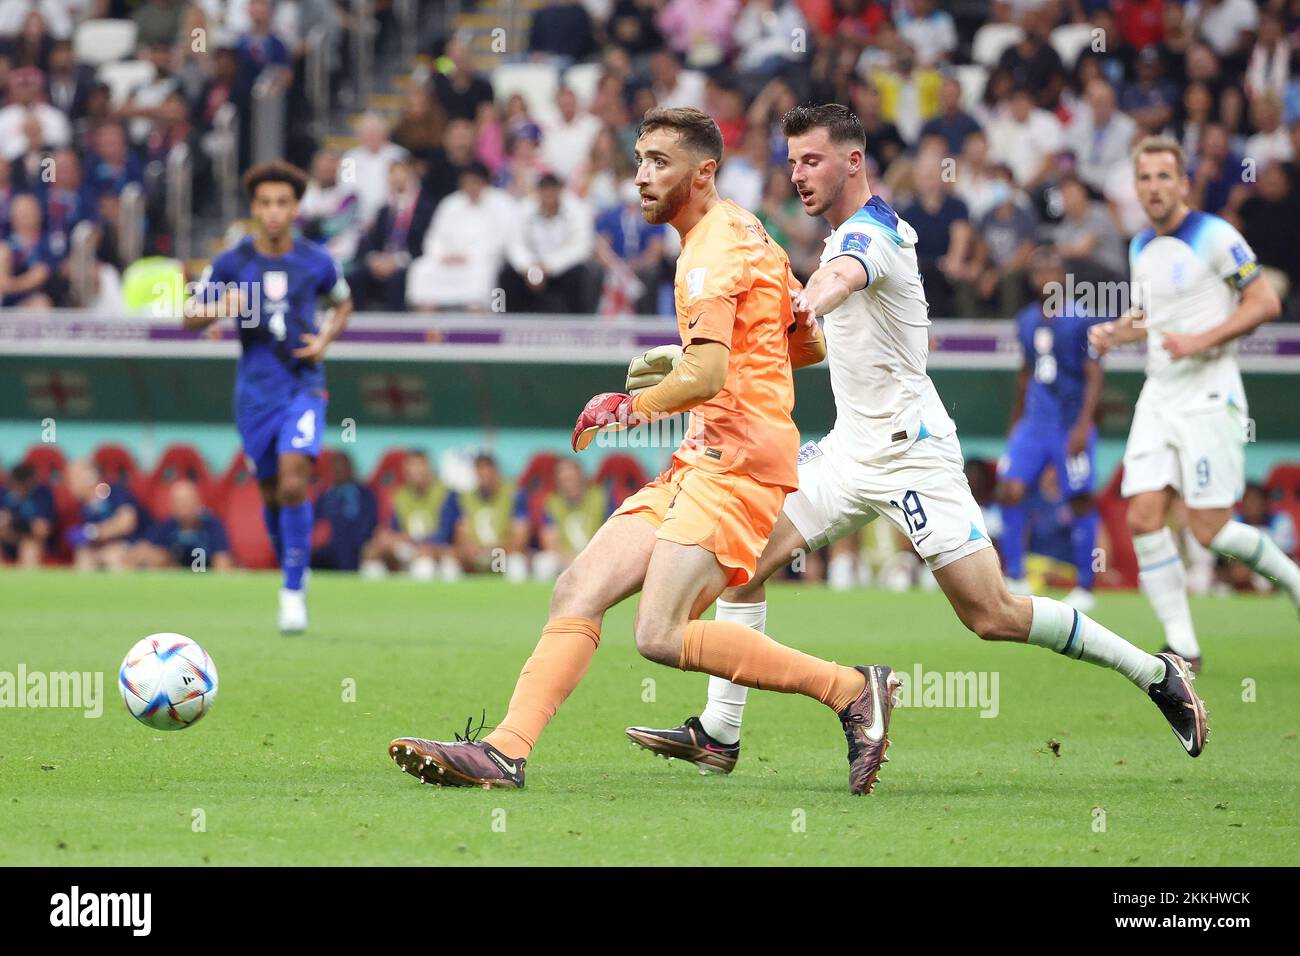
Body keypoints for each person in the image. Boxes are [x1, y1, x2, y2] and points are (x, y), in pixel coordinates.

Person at [625, 106, 1208, 778]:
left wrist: (808, 300)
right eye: (791, 163)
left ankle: (1155, 674)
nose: (797, 175)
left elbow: (839, 279)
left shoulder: (871, 236)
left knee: (991, 614)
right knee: (744, 562)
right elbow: (798, 330)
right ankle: (720, 732)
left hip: (912, 454)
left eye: (811, 161)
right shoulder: (839, 236)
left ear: (853, 161)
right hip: (848, 452)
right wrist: (699, 354)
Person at [386, 108, 916, 797]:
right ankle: (504, 752)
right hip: (702, 455)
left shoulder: (711, 250)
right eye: (639, 160)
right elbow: (806, 342)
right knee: (578, 589)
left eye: (659, 162)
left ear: (703, 172)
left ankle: (850, 689)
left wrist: (631, 405)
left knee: (660, 633)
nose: (640, 176)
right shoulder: (747, 229)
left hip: (738, 462)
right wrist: (711, 357)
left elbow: (709, 375)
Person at [1090, 136, 1299, 672]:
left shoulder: (1215, 235)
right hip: (1159, 393)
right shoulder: (1140, 246)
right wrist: (1116, 332)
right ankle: (1183, 648)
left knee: (1210, 530)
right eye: (1145, 178)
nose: (1154, 187)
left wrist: (1200, 341)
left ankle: (1294, 582)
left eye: (1164, 176)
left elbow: (1265, 301)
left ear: (1183, 183)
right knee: (1143, 517)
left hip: (1209, 391)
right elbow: (1151, 316)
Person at [183, 160, 353, 633]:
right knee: (273, 492)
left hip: (304, 384)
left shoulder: (317, 260)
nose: (274, 211)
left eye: (283, 202)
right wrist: (222, 306)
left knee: (295, 479)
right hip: (255, 393)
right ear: (254, 208)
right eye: (265, 203)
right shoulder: (232, 261)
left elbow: (343, 302)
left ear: (296, 208)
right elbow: (188, 316)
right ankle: (293, 569)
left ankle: (292, 593)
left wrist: (325, 339)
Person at [996, 248, 1103, 611]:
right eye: (1040, 272)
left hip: (1070, 423)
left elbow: (1094, 375)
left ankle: (1086, 585)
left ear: (1063, 278)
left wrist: (1084, 425)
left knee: (1079, 499)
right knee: (1009, 489)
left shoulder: (1081, 319)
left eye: (1053, 271)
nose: (1046, 278)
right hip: (1035, 423)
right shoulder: (1026, 320)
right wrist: (1016, 425)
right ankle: (1015, 575)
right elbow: (1025, 373)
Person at [360, 450, 448, 581]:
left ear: (429, 468)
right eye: (412, 467)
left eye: (420, 466)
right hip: (407, 547)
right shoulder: (400, 496)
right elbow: (394, 528)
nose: (416, 471)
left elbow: (445, 533)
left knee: (424, 559)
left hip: (436, 549)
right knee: (372, 552)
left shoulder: (445, 494)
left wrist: (412, 539)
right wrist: (386, 537)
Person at [131, 480, 233, 571]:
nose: (183, 505)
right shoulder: (167, 526)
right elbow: (142, 550)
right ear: (172, 505)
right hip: (174, 579)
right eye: (179, 501)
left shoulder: (211, 526)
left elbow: (223, 560)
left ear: (198, 502)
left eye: (187, 500)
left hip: (206, 578)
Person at [65, 458, 139, 572]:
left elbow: (126, 523)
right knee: (83, 555)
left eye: (73, 479)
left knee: (113, 555)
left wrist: (91, 532)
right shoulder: (83, 506)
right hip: (103, 547)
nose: (69, 485)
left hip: (134, 544)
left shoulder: (115, 491)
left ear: (88, 477)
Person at [312, 452, 377, 573]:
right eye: (335, 468)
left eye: (342, 467)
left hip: (355, 541)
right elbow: (316, 521)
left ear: (350, 469)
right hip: (327, 545)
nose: (339, 471)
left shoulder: (364, 494)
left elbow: (369, 522)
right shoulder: (324, 495)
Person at [0, 461, 54, 567]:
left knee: (29, 548)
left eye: (23, 486)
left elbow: (42, 529)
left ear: (31, 482)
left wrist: (14, 520)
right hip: (6, 539)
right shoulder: (3, 493)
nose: (19, 490)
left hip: (31, 541)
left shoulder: (42, 494)